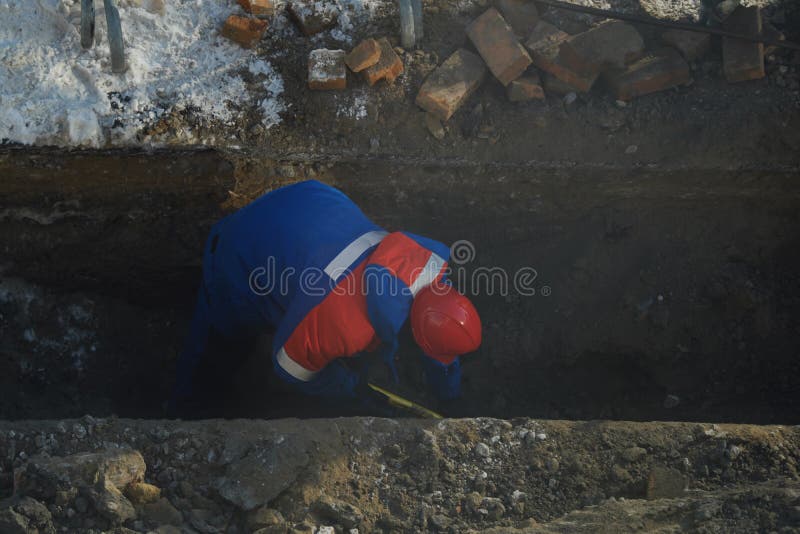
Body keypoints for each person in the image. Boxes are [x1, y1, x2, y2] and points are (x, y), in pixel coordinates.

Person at [172, 180, 481, 410]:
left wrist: (449, 396)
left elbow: (438, 340)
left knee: (303, 301)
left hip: (308, 205)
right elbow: (289, 366)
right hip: (239, 257)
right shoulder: (346, 325)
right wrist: (350, 388)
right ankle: (184, 410)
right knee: (220, 347)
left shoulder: (426, 262)